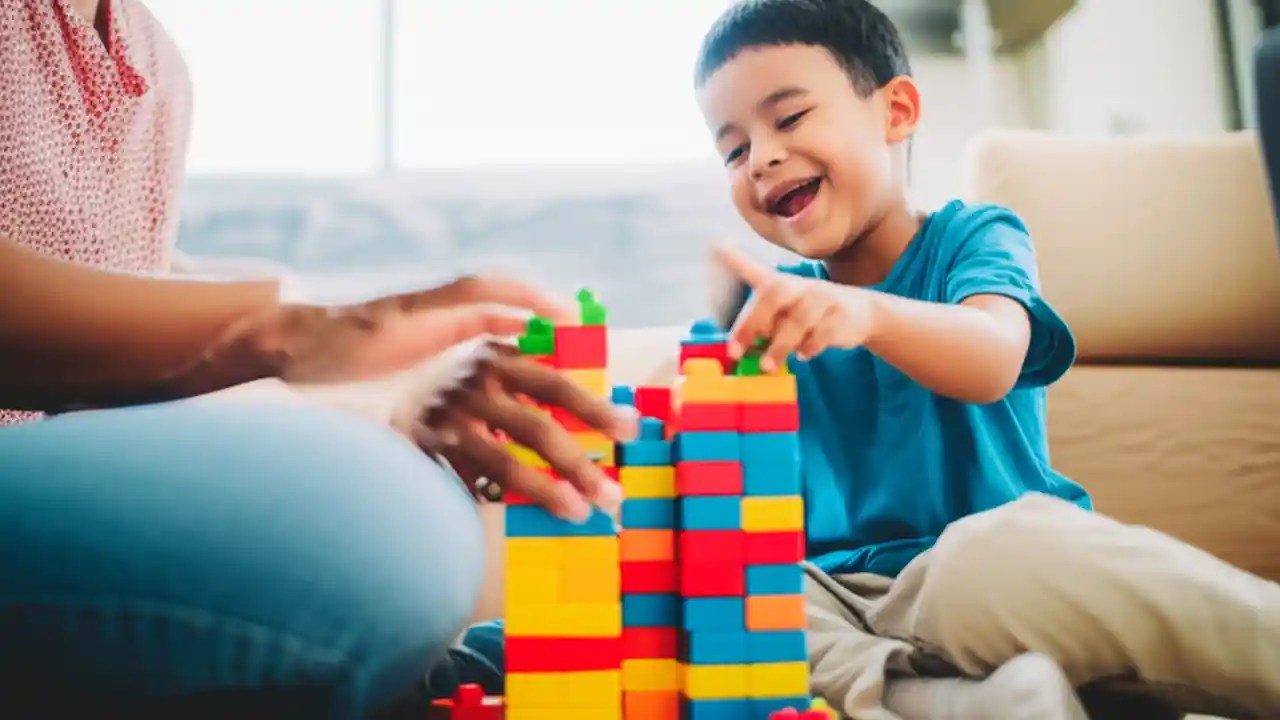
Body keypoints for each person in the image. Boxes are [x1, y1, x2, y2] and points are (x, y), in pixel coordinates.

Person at [0, 1, 632, 718]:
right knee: (372, 528)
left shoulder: (155, 64)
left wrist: (401, 412)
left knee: (391, 511)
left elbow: (103, 359)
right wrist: (286, 331)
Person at [693, 1, 1280, 719]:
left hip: (979, 582)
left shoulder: (975, 237)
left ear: (896, 111)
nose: (762, 158)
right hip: (855, 606)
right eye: (732, 149)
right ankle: (989, 703)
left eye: (788, 119)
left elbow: (993, 356)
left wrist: (868, 313)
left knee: (994, 555)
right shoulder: (769, 314)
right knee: (746, 600)